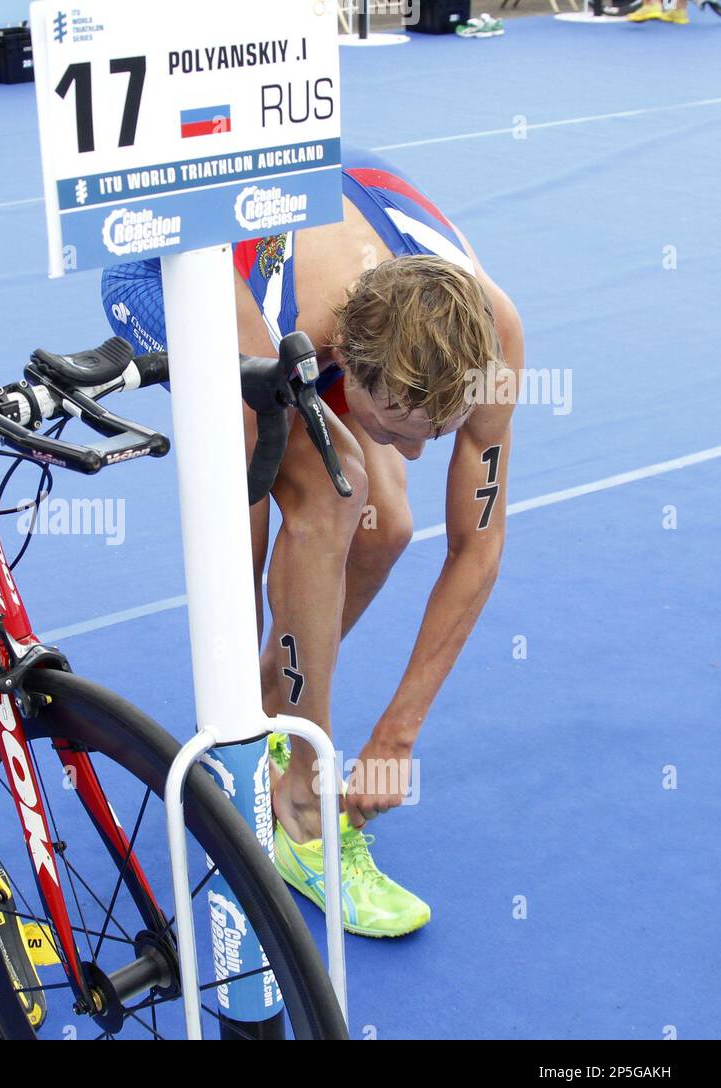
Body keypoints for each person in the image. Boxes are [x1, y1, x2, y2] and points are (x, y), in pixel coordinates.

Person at [101, 147, 523, 937]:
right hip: (174, 269)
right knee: (333, 493)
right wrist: (245, 727)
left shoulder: (494, 335)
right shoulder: (280, 327)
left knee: (389, 521)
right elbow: (241, 531)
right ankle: (297, 796)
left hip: (317, 222)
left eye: (441, 430)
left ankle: (277, 710)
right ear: (339, 367)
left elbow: (478, 546)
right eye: (400, 428)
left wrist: (397, 733)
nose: (422, 454)